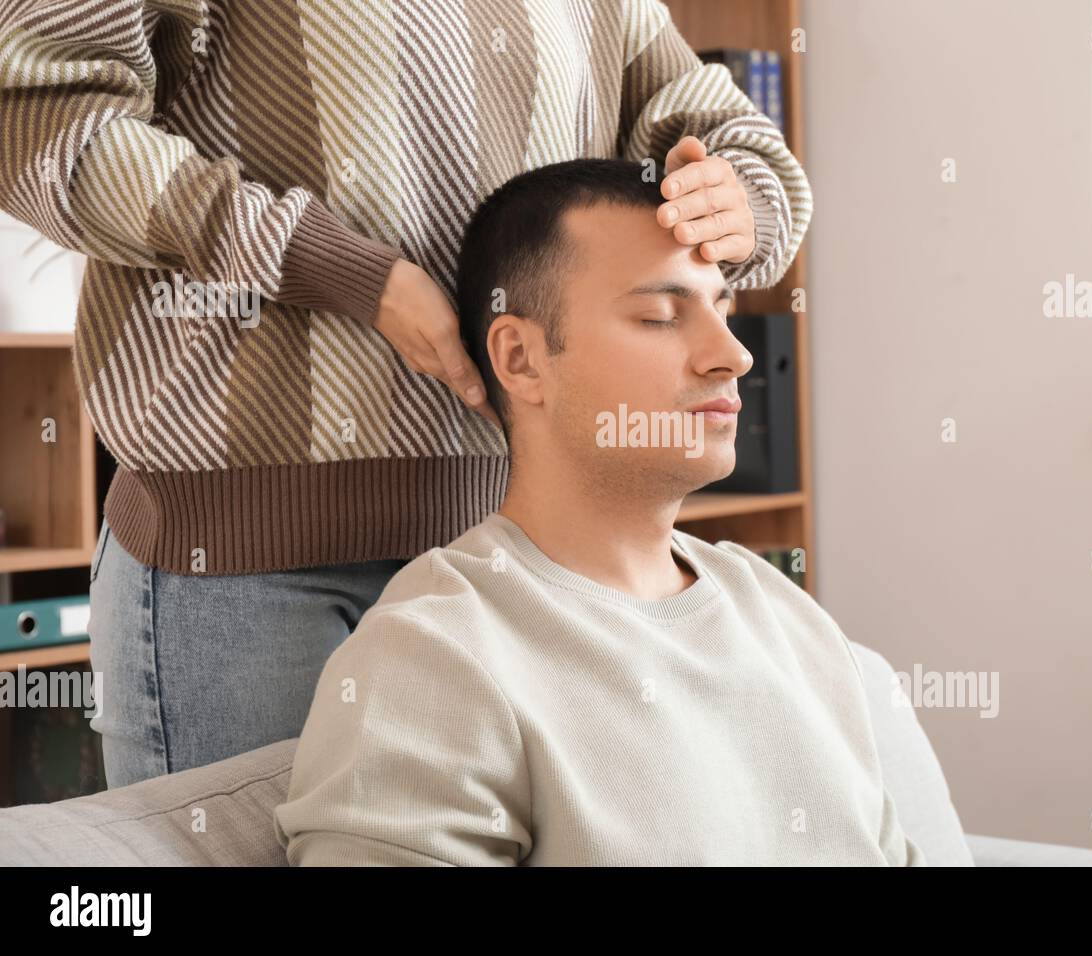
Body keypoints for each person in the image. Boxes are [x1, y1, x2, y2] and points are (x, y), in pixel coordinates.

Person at [0, 0, 811, 787]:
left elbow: (730, 134)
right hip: (252, 569)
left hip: (521, 552)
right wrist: (334, 267)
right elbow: (31, 119)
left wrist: (736, 201)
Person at [273, 159, 920, 866]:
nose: (732, 356)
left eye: (724, 311)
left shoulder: (788, 618)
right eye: (660, 317)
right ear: (520, 359)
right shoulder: (435, 657)